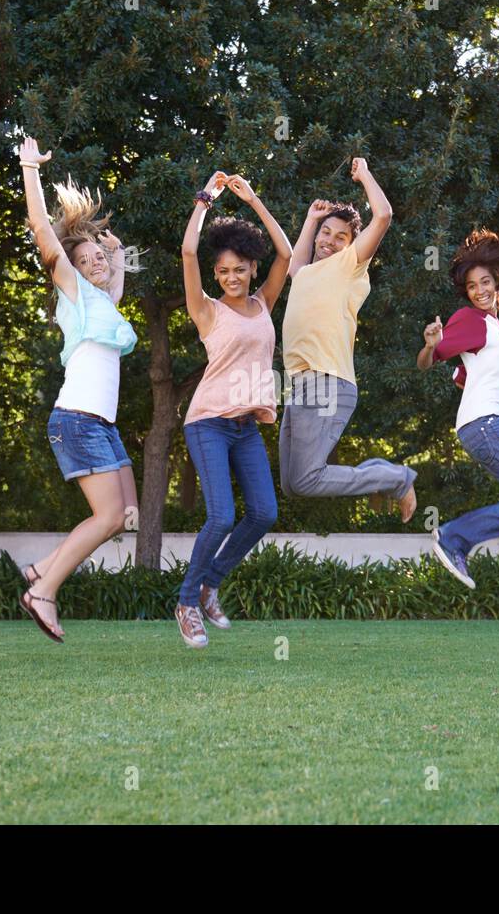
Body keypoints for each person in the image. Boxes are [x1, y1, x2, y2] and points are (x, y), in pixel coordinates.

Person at [15, 137, 140, 642]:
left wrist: (115, 256)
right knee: (108, 515)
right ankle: (43, 591)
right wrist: (28, 168)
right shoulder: (73, 294)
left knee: (126, 515)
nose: (94, 263)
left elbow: (113, 288)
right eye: (83, 258)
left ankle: (44, 567)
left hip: (101, 425)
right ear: (71, 266)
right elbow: (44, 229)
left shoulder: (103, 303)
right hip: (78, 419)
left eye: (97, 258)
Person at [174, 171, 293, 647]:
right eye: (222, 271)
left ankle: (209, 584)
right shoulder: (207, 310)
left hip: (245, 426)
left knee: (263, 513)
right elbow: (187, 252)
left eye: (238, 269)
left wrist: (253, 198)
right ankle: (186, 603)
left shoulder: (264, 302)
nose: (230, 277)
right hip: (208, 423)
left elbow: (285, 253)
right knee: (221, 516)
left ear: (250, 268)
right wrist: (206, 198)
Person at [279, 158, 417, 520]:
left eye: (341, 237)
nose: (330, 241)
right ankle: (380, 474)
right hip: (300, 385)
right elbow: (293, 267)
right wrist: (311, 221)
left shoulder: (350, 266)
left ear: (352, 245)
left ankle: (395, 477)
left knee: (307, 479)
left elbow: (383, 216)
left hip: (328, 381)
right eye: (327, 233)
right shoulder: (307, 272)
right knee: (292, 485)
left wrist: (365, 174)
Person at [416, 230, 499, 589]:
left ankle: (456, 538)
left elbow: (467, 379)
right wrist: (430, 345)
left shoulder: (493, 327)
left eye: (485, 282)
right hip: (484, 426)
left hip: (488, 421)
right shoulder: (470, 319)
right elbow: (427, 363)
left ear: (498, 282)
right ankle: (455, 537)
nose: (479, 290)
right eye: (473, 285)